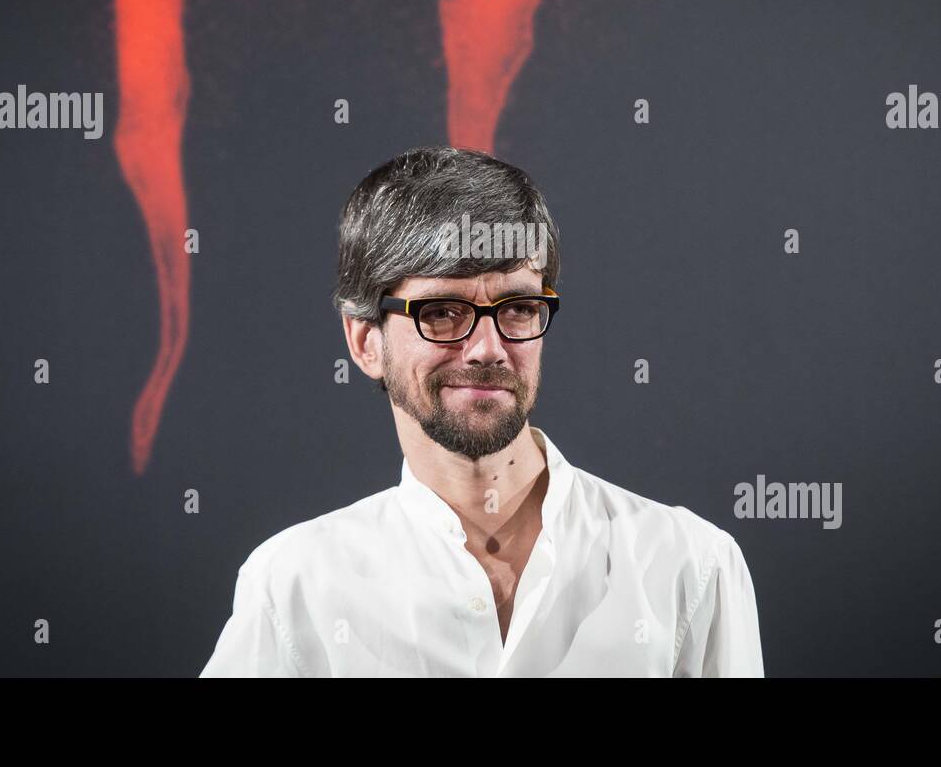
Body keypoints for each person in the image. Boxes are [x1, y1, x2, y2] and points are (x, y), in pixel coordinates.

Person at [200, 146, 764, 676]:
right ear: (366, 341)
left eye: (518, 308)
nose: (488, 348)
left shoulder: (690, 565)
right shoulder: (294, 585)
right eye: (442, 311)